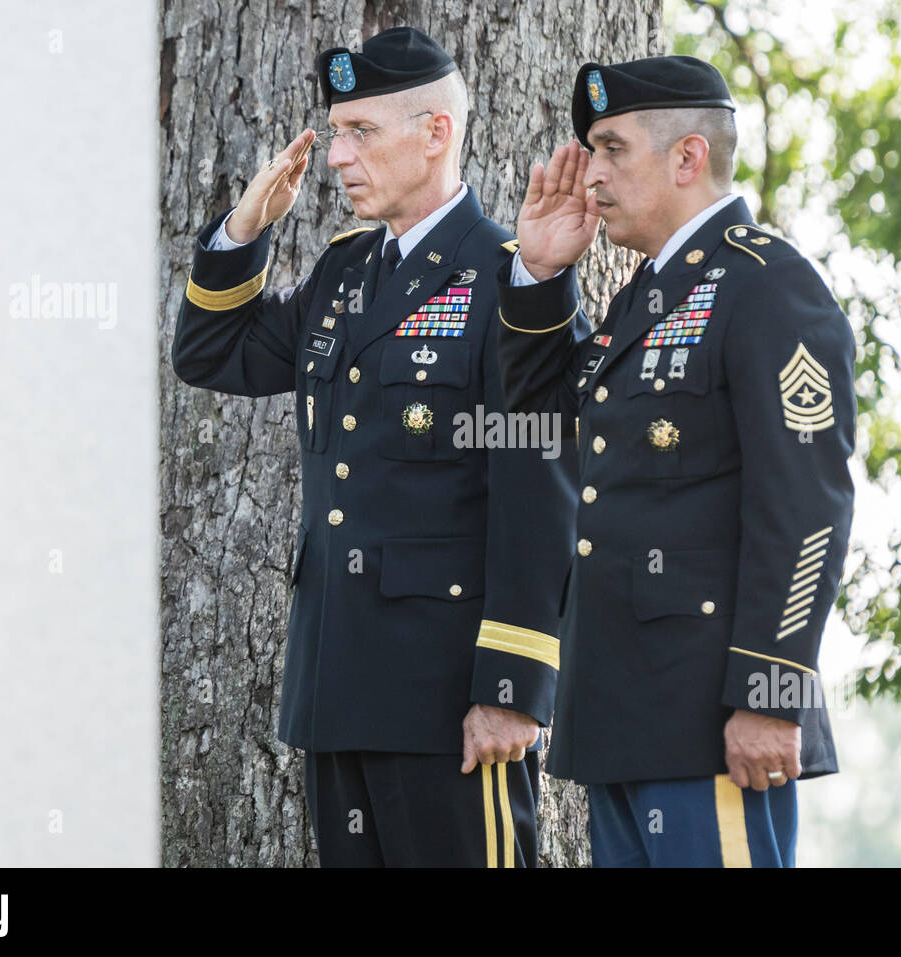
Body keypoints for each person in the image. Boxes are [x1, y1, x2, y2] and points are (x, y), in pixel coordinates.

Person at [170, 26, 582, 867]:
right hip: (340, 682)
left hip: (452, 701)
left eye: (362, 132)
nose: (335, 156)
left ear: (435, 134)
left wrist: (511, 690)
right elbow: (210, 353)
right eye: (335, 133)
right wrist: (247, 226)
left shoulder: (508, 280)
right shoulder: (343, 275)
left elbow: (539, 492)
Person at [496, 54, 857, 867]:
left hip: (713, 719)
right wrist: (542, 275)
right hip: (622, 715)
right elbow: (549, 427)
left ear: (688, 157)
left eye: (613, 149)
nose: (591, 177)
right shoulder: (645, 299)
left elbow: (809, 506)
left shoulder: (769, 285)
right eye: (589, 151)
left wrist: (771, 693)